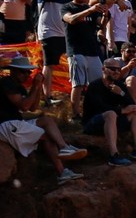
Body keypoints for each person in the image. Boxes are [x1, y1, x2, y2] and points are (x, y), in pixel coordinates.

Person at [0, 54, 85, 184]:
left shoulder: (18, 86)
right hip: (6, 125)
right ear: (13, 70)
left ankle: (63, 150)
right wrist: (35, 85)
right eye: (23, 72)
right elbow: (24, 106)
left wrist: (39, 87)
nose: (27, 75)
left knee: (47, 120)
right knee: (47, 136)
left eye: (28, 72)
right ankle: (62, 169)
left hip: (16, 123)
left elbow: (33, 108)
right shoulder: (7, 83)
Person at [83, 57, 136, 167]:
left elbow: (131, 104)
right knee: (111, 114)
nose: (116, 72)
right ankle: (114, 155)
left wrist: (121, 93)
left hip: (113, 122)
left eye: (118, 69)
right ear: (103, 69)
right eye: (112, 69)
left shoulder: (119, 86)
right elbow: (99, 107)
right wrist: (121, 110)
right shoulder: (95, 86)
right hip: (93, 122)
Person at [62, 0, 109, 118]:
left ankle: (96, 111)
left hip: (92, 50)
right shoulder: (67, 7)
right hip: (76, 50)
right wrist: (90, 10)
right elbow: (70, 19)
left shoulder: (92, 10)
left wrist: (106, 15)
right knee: (78, 84)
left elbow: (101, 25)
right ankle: (75, 114)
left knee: (99, 83)